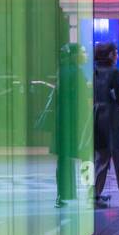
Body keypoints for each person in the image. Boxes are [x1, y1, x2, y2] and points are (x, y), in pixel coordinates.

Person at [92, 41, 119, 208]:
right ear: (109, 55)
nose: (117, 55)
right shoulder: (114, 72)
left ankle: (94, 195)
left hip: (97, 115)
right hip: (113, 116)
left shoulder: (93, 71)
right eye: (115, 52)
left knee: (100, 157)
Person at [52, 42, 91, 208]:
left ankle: (61, 195)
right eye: (83, 52)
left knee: (63, 159)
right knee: (86, 157)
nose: (85, 55)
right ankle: (90, 192)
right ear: (75, 55)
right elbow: (82, 99)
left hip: (62, 121)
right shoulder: (77, 73)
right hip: (77, 121)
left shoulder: (61, 72)